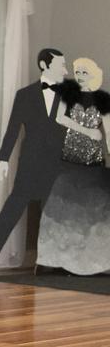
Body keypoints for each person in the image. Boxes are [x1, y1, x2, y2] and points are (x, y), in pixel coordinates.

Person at [0, 48, 69, 259]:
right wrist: (3, 159)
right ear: (44, 65)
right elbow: (13, 128)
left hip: (58, 163)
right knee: (14, 205)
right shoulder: (25, 95)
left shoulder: (68, 96)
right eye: (61, 65)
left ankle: (52, 262)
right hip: (31, 160)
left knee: (53, 212)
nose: (65, 71)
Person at [37, 57, 110, 275]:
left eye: (84, 72)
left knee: (96, 207)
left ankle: (96, 260)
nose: (80, 76)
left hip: (93, 158)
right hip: (71, 155)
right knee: (61, 202)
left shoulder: (103, 100)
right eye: (77, 72)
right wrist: (87, 131)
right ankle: (54, 258)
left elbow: (108, 128)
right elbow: (60, 118)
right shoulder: (68, 96)